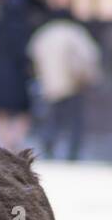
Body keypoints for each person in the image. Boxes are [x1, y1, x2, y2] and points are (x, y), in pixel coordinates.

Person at [28, 9, 102, 161]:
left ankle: (48, 147)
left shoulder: (44, 33)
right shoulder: (75, 32)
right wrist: (91, 77)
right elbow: (89, 55)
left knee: (51, 118)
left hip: (48, 84)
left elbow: (32, 56)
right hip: (73, 83)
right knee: (75, 120)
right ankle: (73, 152)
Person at [0, 0, 44, 152]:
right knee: (23, 109)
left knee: (0, 110)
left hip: (1, 73)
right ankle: (15, 140)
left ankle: (5, 142)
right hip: (21, 75)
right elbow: (30, 52)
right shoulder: (27, 27)